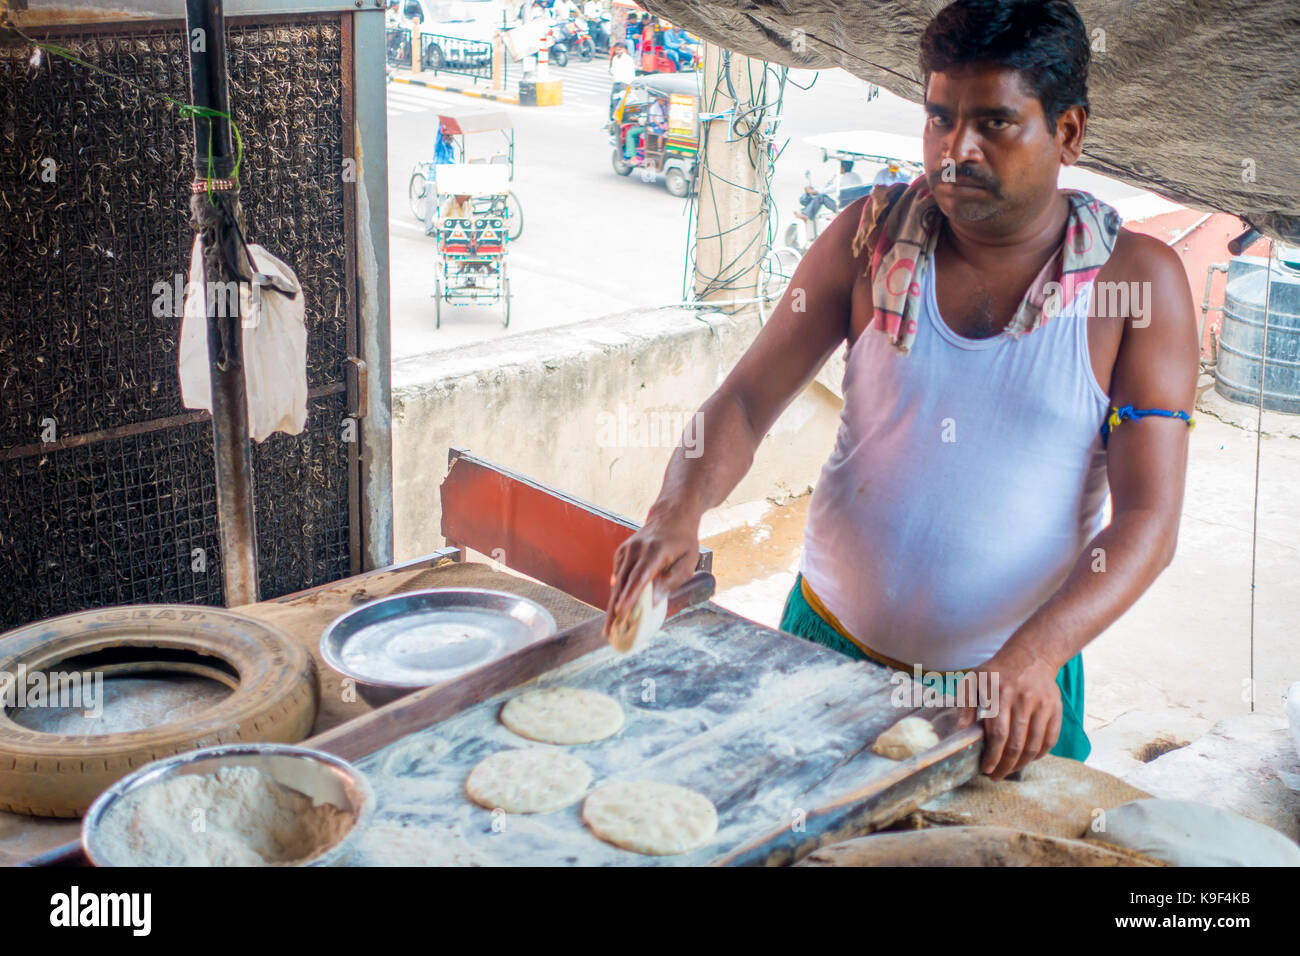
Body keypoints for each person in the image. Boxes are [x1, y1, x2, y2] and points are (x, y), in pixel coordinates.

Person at [605, 0, 1198, 781]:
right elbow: (746, 400)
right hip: (821, 643)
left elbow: (1148, 522)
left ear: (1069, 133)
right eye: (939, 119)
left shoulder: (1135, 284)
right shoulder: (868, 238)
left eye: (994, 123)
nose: (957, 151)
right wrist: (673, 511)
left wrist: (1036, 656)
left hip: (1006, 693)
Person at [794, 159, 862, 232]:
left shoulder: (843, 179)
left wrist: (813, 191)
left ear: (842, 168)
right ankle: (806, 214)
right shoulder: (857, 176)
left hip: (843, 209)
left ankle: (806, 215)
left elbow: (829, 189)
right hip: (856, 206)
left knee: (821, 197)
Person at [623, 95, 667, 161]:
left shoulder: (657, 107)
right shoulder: (660, 107)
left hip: (650, 125)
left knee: (630, 133)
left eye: (664, 100)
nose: (664, 102)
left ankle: (633, 156)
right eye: (663, 100)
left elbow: (651, 119)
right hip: (656, 124)